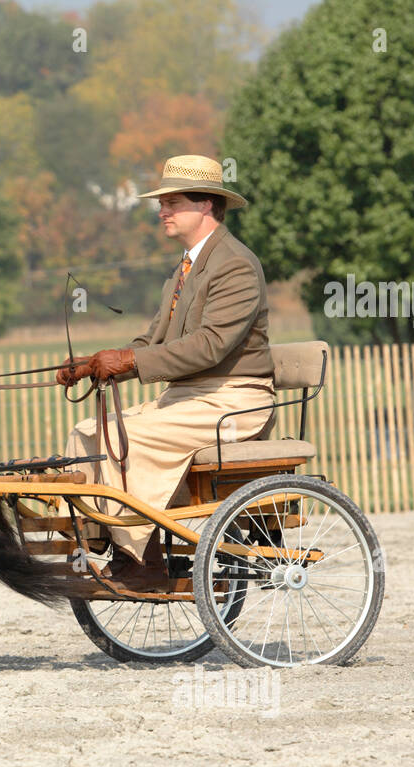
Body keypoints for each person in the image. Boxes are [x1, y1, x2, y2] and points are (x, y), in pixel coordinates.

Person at [57, 155, 275, 592]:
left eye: (173, 202)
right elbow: (153, 340)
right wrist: (97, 363)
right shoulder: (185, 268)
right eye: (163, 203)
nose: (163, 212)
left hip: (234, 400)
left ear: (207, 205)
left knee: (127, 437)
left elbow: (210, 344)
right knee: (87, 432)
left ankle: (143, 560)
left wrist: (132, 363)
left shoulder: (235, 264)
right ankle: (103, 540)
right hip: (190, 400)